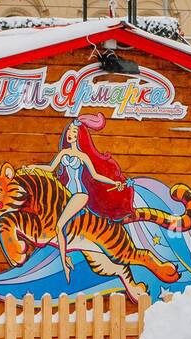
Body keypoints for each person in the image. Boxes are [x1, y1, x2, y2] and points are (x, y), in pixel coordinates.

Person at [45, 114, 133, 281]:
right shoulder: (63, 153)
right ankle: (66, 258)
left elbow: (96, 175)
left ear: (79, 136)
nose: (70, 134)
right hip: (67, 195)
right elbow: (50, 169)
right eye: (69, 131)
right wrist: (30, 168)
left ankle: (64, 263)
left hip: (79, 195)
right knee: (56, 226)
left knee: (58, 226)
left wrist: (114, 182)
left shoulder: (83, 156)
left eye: (74, 132)